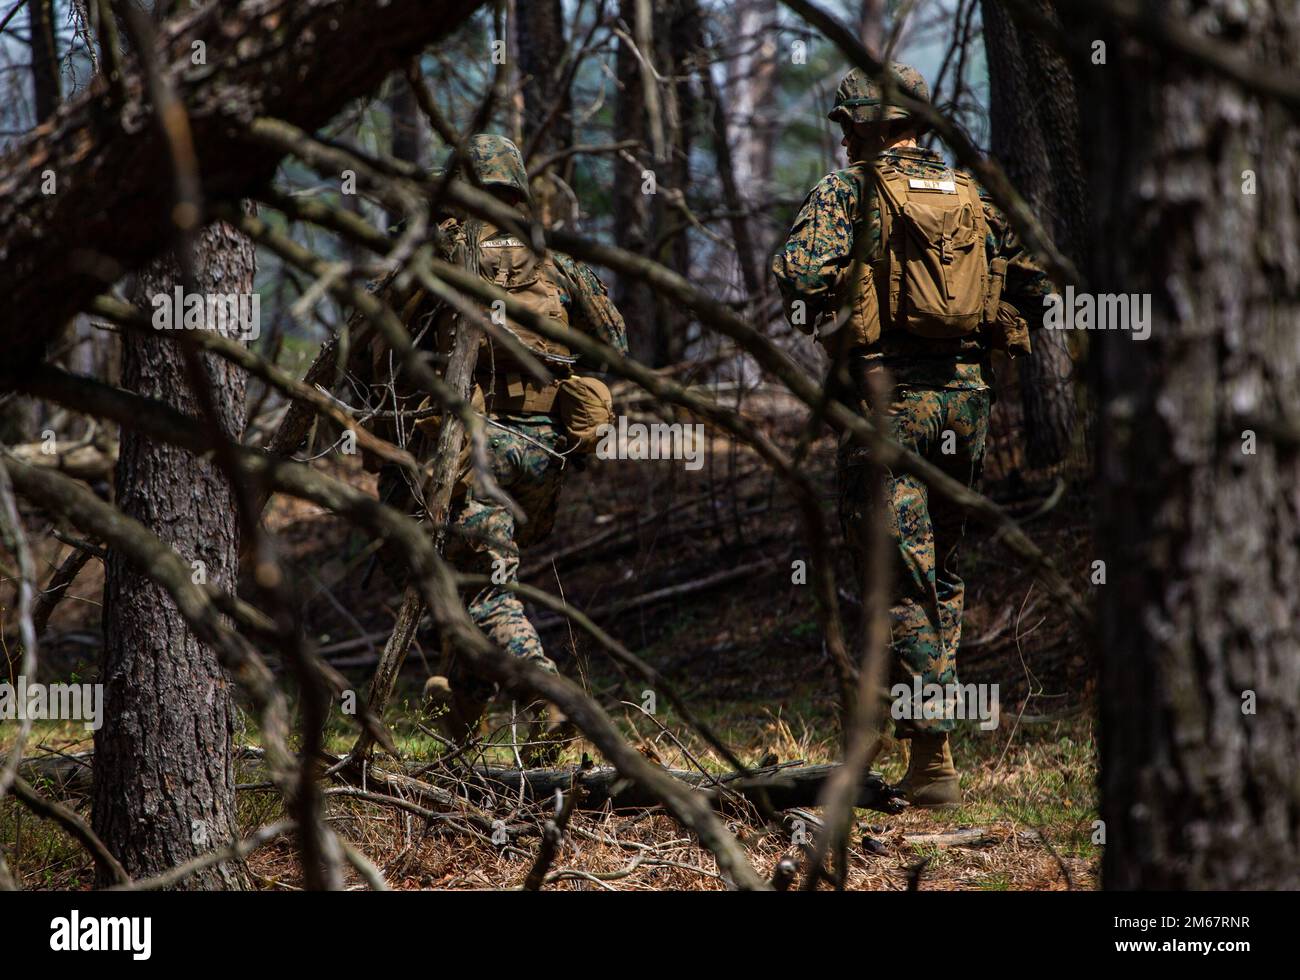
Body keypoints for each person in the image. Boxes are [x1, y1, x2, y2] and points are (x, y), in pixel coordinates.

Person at [772, 65, 1051, 805]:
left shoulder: (848, 191)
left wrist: (842, 327)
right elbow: (1040, 286)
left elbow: (797, 278)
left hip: (888, 404)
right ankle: (915, 749)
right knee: (940, 575)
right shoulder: (972, 195)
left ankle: (931, 760)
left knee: (894, 580)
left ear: (857, 127)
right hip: (967, 406)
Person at [365, 134, 627, 764]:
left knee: (479, 588)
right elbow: (613, 336)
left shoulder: (433, 252)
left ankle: (548, 698)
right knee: (470, 576)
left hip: (467, 452)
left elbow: (366, 336)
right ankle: (460, 715)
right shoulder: (549, 259)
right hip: (542, 456)